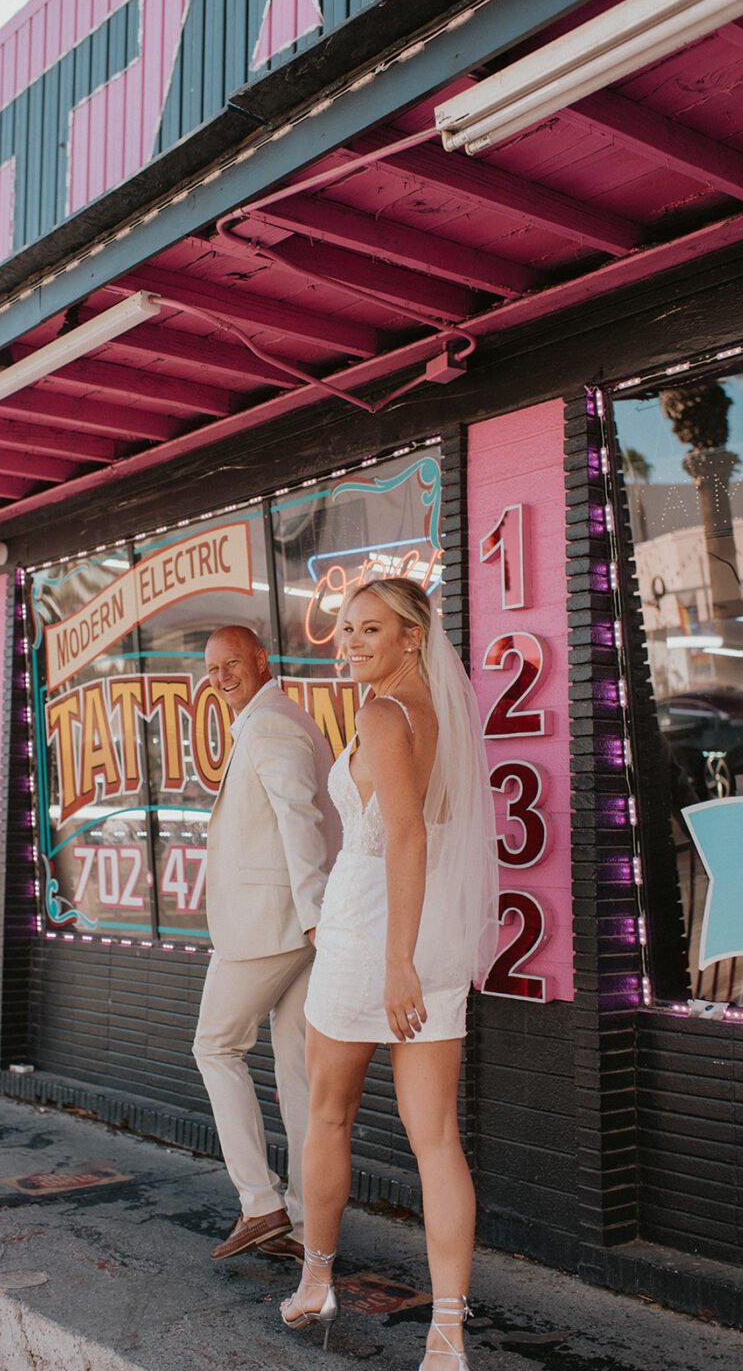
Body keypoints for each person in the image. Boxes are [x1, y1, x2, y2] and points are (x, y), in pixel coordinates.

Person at [280, 578, 499, 1367]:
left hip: (375, 938)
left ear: (414, 637)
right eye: (345, 630)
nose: (351, 643)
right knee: (435, 1139)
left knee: (328, 1114)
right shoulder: (439, 713)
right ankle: (446, 1332)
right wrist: (414, 958)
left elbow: (406, 839)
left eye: (371, 629)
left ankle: (315, 1282)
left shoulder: (381, 714)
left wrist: (395, 964)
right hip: (430, 934)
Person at [195, 624, 341, 1263]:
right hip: (296, 922)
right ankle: (308, 1225)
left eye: (232, 663)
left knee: (215, 1046)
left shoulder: (272, 723)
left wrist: (313, 913)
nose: (221, 676)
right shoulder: (267, 719)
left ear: (262, 660)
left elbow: (301, 818)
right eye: (212, 667)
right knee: (296, 1068)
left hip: (274, 923)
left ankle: (260, 1202)